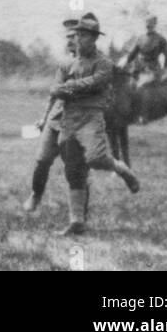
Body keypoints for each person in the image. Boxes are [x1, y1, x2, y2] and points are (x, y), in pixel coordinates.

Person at [49, 12, 140, 236]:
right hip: (69, 118)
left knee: (96, 158)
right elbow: (54, 89)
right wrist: (72, 87)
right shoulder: (66, 64)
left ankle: (123, 170)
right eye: (78, 34)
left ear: (94, 38)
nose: (79, 39)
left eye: (85, 35)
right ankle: (76, 221)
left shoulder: (104, 64)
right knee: (73, 169)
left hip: (91, 117)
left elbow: (96, 82)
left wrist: (70, 87)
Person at [23, 18, 79, 212]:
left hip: (78, 124)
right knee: (42, 160)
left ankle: (79, 213)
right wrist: (44, 118)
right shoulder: (64, 64)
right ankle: (35, 195)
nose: (69, 41)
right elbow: (53, 94)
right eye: (68, 38)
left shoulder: (95, 63)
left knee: (77, 169)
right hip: (56, 121)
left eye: (74, 37)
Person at [127, 14, 167, 81]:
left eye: (151, 22)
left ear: (155, 24)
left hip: (153, 70)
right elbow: (133, 54)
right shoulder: (141, 38)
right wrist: (127, 62)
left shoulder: (160, 39)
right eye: (147, 22)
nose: (149, 25)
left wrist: (166, 69)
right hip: (139, 69)